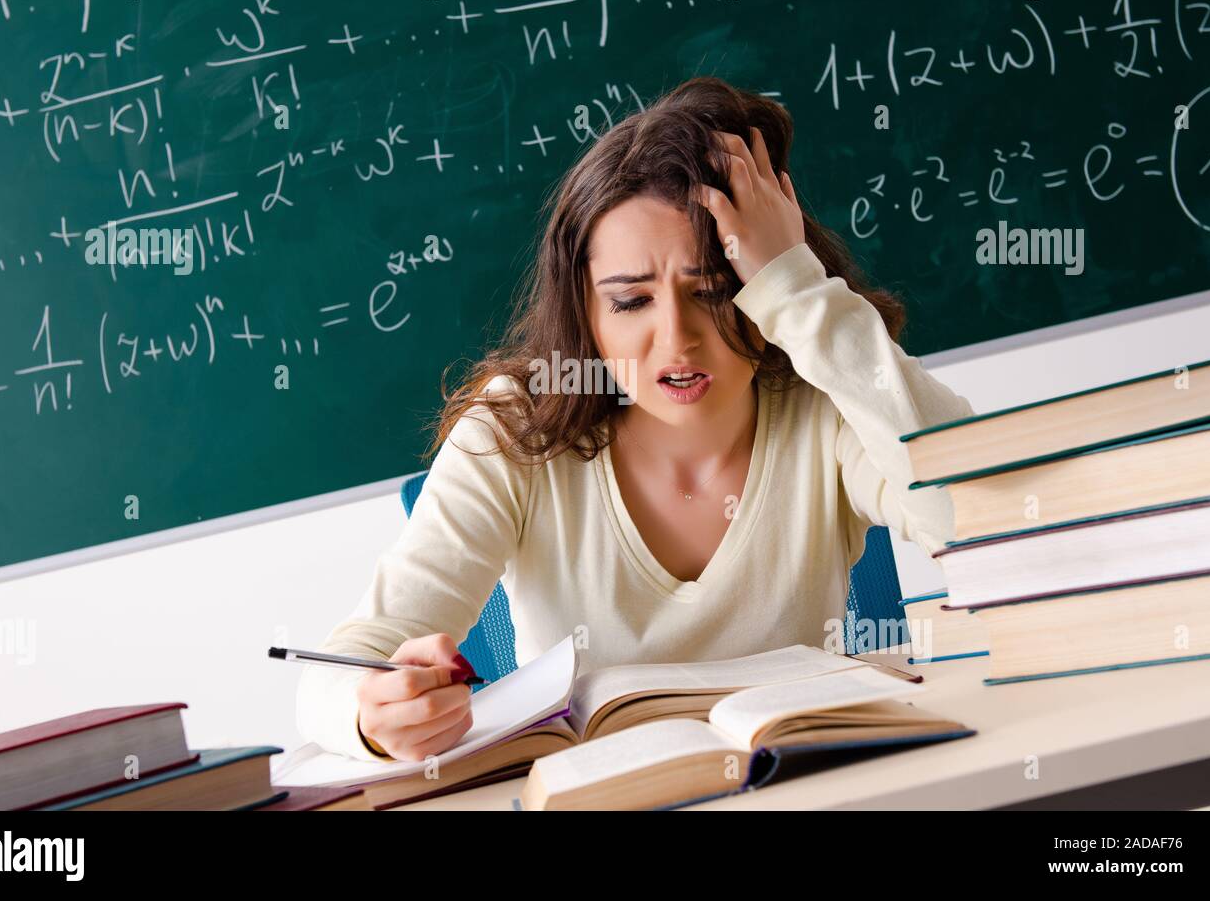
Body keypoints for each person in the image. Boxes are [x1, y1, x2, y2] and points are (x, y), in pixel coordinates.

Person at [295, 76, 975, 762]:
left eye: (713, 289)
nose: (676, 339)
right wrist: (370, 714)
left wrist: (798, 289)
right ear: (584, 316)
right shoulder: (512, 433)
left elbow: (979, 514)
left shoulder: (826, 403)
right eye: (630, 302)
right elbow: (339, 668)